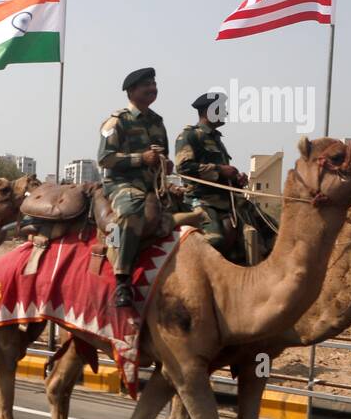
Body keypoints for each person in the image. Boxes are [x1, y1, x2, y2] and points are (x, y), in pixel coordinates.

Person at [97, 67, 169, 308]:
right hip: (122, 184)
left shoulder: (158, 122)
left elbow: (164, 158)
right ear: (131, 91)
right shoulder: (117, 121)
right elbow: (105, 158)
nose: (153, 88)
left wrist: (165, 164)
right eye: (146, 84)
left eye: (154, 83)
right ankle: (122, 280)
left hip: (154, 187)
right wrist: (141, 158)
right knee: (130, 214)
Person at [175, 92, 246, 257]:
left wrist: (235, 179)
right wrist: (220, 170)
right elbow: (184, 168)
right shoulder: (189, 135)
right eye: (221, 109)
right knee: (215, 241)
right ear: (209, 112)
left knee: (267, 230)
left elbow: (220, 176)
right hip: (202, 200)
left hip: (227, 202)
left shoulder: (216, 139)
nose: (225, 113)